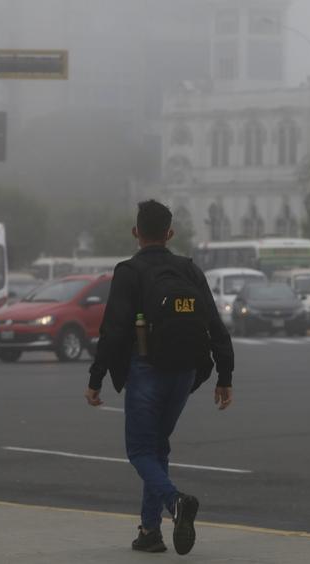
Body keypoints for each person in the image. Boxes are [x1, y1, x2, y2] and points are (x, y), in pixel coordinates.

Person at [85, 200, 235, 555]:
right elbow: (215, 325)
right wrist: (224, 376)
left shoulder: (129, 271)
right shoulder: (189, 270)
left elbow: (114, 330)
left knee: (139, 450)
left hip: (146, 369)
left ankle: (175, 502)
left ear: (136, 232)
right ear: (170, 233)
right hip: (185, 373)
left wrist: (96, 378)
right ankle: (150, 531)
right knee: (157, 447)